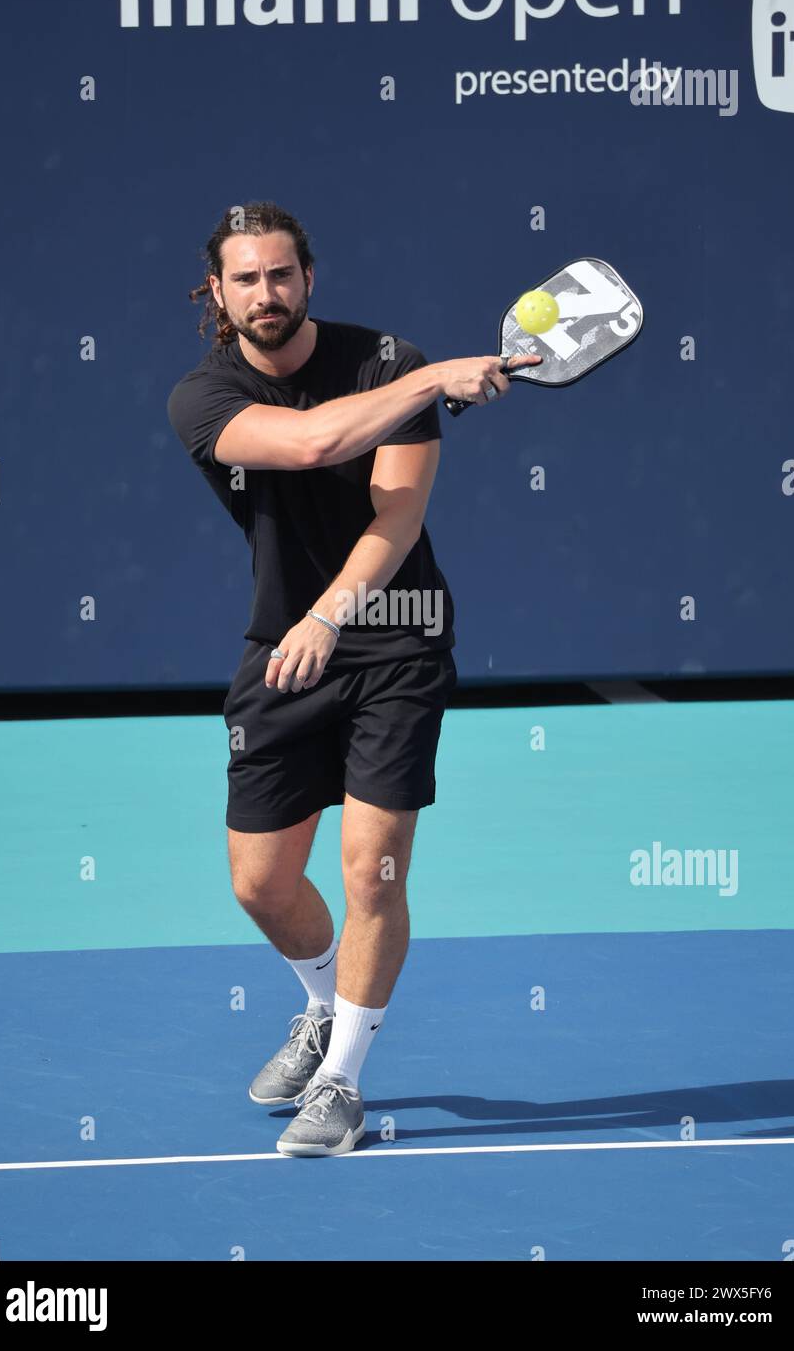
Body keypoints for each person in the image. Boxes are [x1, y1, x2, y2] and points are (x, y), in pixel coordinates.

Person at [167, 201, 541, 1157]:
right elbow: (308, 445)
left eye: (282, 274)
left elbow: (397, 516)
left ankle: (341, 1084)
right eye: (245, 279)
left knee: (371, 870)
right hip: (283, 645)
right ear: (217, 293)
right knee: (260, 883)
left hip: (396, 639)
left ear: (310, 279)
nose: (266, 293)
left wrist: (334, 617)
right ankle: (322, 1008)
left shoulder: (386, 361)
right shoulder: (201, 398)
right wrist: (433, 382)